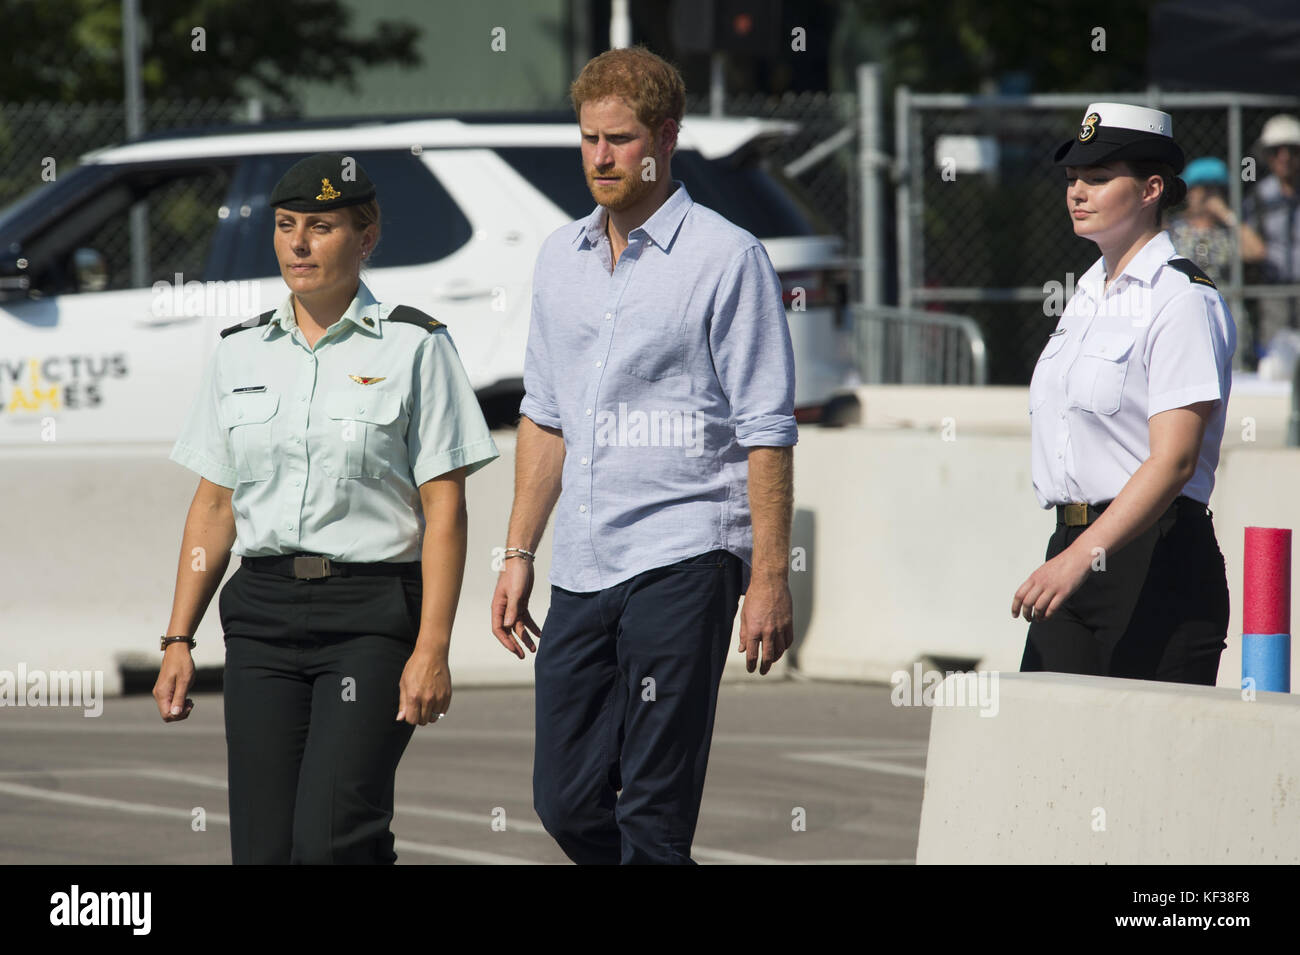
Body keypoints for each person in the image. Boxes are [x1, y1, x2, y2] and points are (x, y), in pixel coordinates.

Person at [489, 46, 797, 865]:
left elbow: (767, 427)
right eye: (588, 137)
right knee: (564, 800)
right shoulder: (561, 259)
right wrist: (518, 550)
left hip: (687, 554)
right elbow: (545, 417)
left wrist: (768, 576)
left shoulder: (727, 257)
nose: (599, 155)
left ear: (665, 135)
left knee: (653, 817)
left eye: (619, 138)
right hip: (583, 563)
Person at [153, 152, 499, 864]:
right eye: (285, 226)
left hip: (371, 619)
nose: (298, 244)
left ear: (366, 238)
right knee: (264, 848)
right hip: (263, 617)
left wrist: (432, 646)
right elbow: (214, 505)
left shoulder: (416, 346)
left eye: (320, 226)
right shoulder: (238, 352)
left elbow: (444, 508)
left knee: (334, 838)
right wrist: (178, 636)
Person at [1012, 103, 1235, 686]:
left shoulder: (1182, 297)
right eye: (1071, 179)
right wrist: (1073, 555)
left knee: (1145, 767)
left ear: (1150, 189)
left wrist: (1081, 559)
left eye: (1099, 177)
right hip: (1072, 546)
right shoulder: (1085, 294)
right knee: (1051, 759)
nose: (1078, 192)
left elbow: (1175, 460)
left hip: (1153, 558)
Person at [1242, 113, 1300, 358]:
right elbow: (1248, 246)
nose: (1285, 157)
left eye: (1293, 150)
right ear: (1266, 155)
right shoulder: (1258, 197)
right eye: (1277, 150)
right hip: (1272, 291)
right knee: (1275, 359)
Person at [1167, 156, 1266, 287]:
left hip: (1222, 301)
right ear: (1188, 192)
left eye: (1212, 189)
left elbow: (1257, 252)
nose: (1205, 195)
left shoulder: (1227, 231)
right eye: (1200, 188)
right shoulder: (1173, 228)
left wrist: (1226, 215)